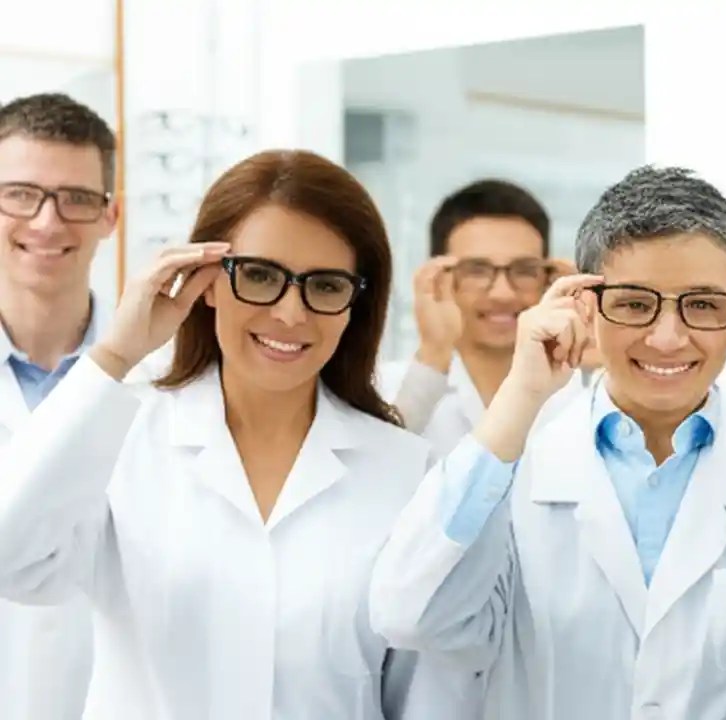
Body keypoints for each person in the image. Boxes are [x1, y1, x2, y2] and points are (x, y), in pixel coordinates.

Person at [368, 166, 726, 720]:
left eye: (703, 304)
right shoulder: (513, 470)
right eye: (635, 303)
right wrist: (521, 393)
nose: (667, 338)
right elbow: (409, 612)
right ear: (584, 306)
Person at [0, 150, 446, 718]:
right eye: (259, 276)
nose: (290, 313)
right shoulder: (127, 431)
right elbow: (11, 557)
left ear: (354, 305)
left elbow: (422, 691)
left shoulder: (404, 469)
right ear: (205, 282)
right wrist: (115, 354)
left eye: (326, 286)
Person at [0, 92, 117, 720]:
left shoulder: (163, 383)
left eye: (76, 198)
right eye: (20, 194)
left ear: (111, 215)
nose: (48, 222)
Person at [388, 179, 582, 459]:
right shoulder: (389, 388)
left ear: (548, 277)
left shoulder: (581, 393)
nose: (502, 293)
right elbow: (371, 473)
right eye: (477, 270)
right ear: (438, 277)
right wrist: (434, 353)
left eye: (524, 270)